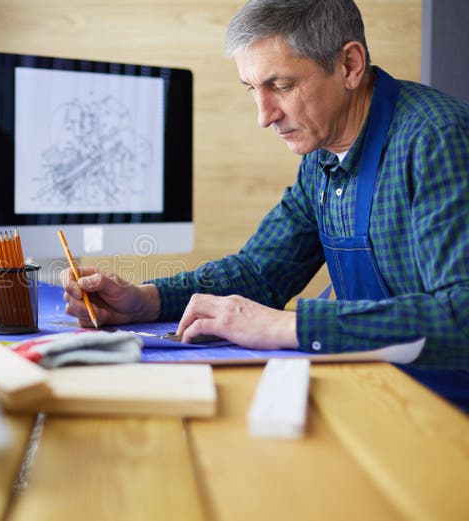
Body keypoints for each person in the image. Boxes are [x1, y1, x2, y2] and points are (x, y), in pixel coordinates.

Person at [60, 0, 469, 412]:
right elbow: (260, 272)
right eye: (252, 89)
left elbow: (462, 316)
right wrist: (146, 301)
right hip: (385, 396)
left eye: (282, 86)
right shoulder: (321, 159)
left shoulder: (437, 140)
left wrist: (288, 325)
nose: (264, 115)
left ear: (349, 65)